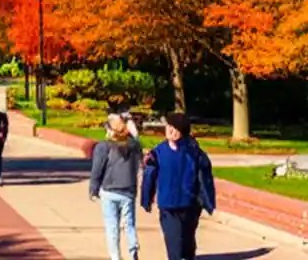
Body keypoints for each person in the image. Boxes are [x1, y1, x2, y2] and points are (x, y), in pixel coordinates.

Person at [141, 112, 215, 260]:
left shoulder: (195, 152)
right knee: (174, 243)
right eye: (169, 126)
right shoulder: (158, 153)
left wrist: (207, 201)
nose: (171, 131)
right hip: (169, 206)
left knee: (187, 242)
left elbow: (205, 178)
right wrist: (146, 198)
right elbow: (149, 175)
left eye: (176, 128)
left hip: (190, 205)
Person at [90, 110, 142, 260]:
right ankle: (133, 249)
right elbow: (139, 165)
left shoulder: (104, 147)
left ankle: (115, 257)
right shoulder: (134, 146)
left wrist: (93, 188)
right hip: (128, 190)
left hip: (109, 190)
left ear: (109, 130)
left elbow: (97, 169)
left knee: (112, 226)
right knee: (129, 224)